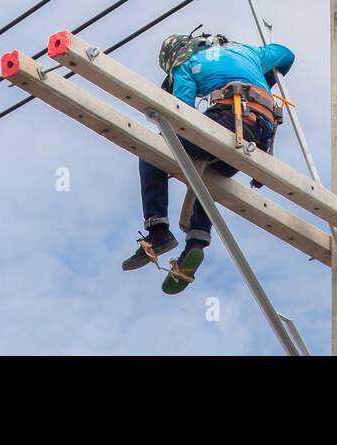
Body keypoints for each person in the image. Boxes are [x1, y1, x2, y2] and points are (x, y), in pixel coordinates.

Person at [123, 30, 295, 294]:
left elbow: (180, 112)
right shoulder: (248, 51)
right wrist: (262, 83)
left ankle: (157, 231)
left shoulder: (186, 63)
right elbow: (286, 54)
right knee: (210, 176)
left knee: (153, 150)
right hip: (260, 133)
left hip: (229, 118)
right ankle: (196, 242)